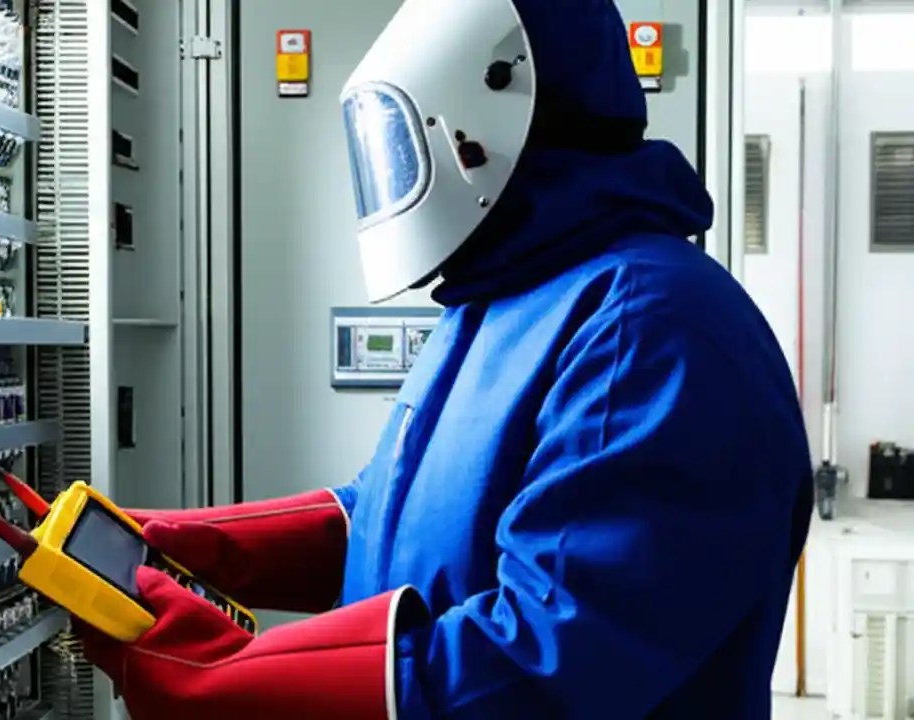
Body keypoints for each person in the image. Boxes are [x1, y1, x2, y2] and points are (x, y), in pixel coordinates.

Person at [77, 0, 814, 717]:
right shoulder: (496, 297)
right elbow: (388, 513)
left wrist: (228, 679)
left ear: (479, 122)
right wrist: (184, 546)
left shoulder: (650, 325)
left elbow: (543, 663)